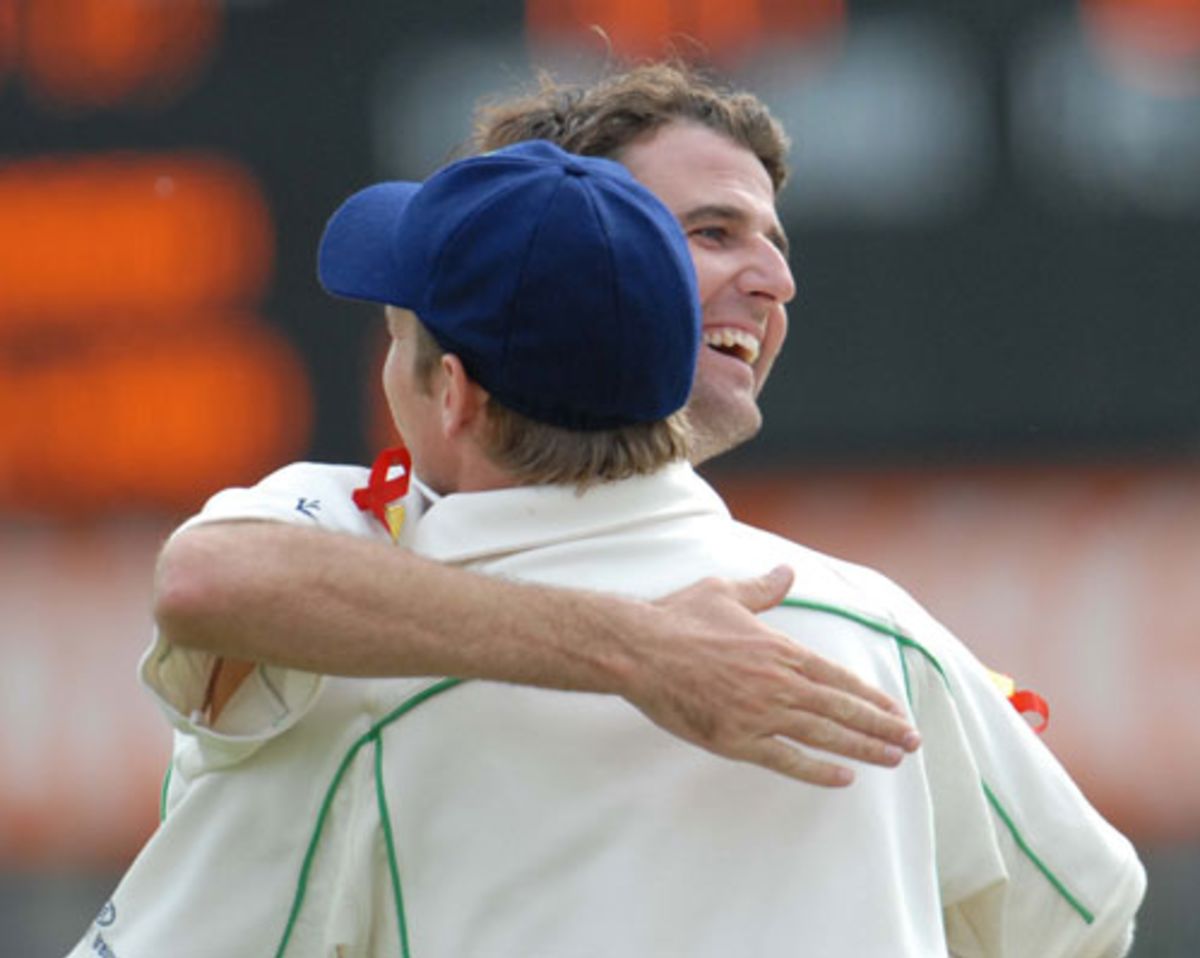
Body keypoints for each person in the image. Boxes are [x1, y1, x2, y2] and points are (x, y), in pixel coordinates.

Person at [74, 140, 1144, 958]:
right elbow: (1090, 909)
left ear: (454, 394)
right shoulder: (878, 633)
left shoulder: (349, 699)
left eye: (401, 339)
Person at [147, 61, 925, 787]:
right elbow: (205, 580)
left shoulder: (862, 631)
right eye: (713, 232)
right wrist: (640, 648)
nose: (779, 282)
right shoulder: (348, 538)